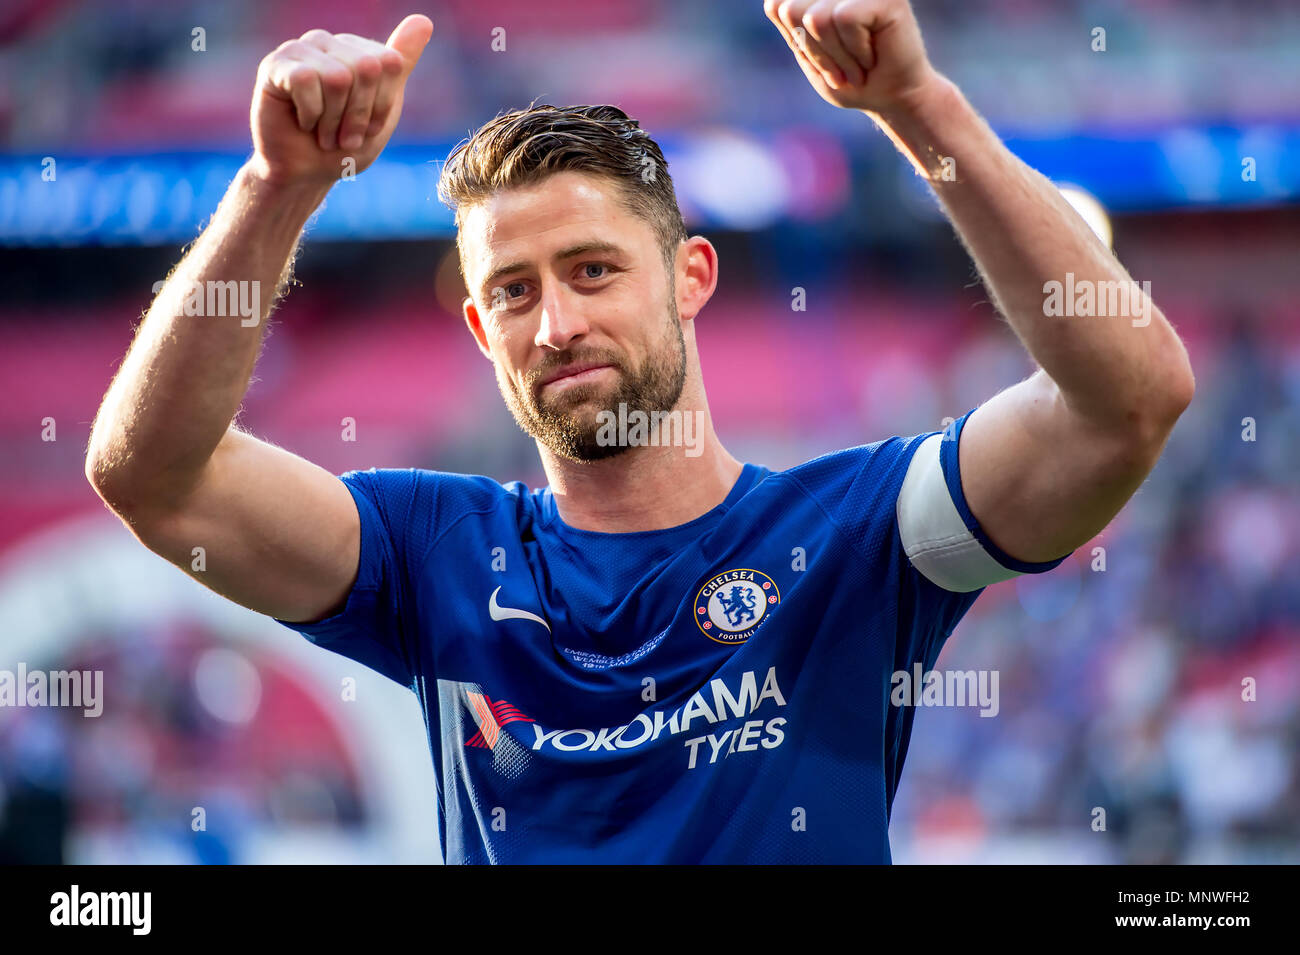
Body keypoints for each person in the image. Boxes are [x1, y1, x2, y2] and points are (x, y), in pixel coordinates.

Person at [85, 3, 1195, 863]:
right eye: (513, 292)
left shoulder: (860, 534)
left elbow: (1128, 401)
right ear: (479, 328)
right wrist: (278, 185)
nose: (557, 322)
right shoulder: (431, 552)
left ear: (689, 277)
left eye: (593, 271)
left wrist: (914, 102)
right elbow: (155, 478)